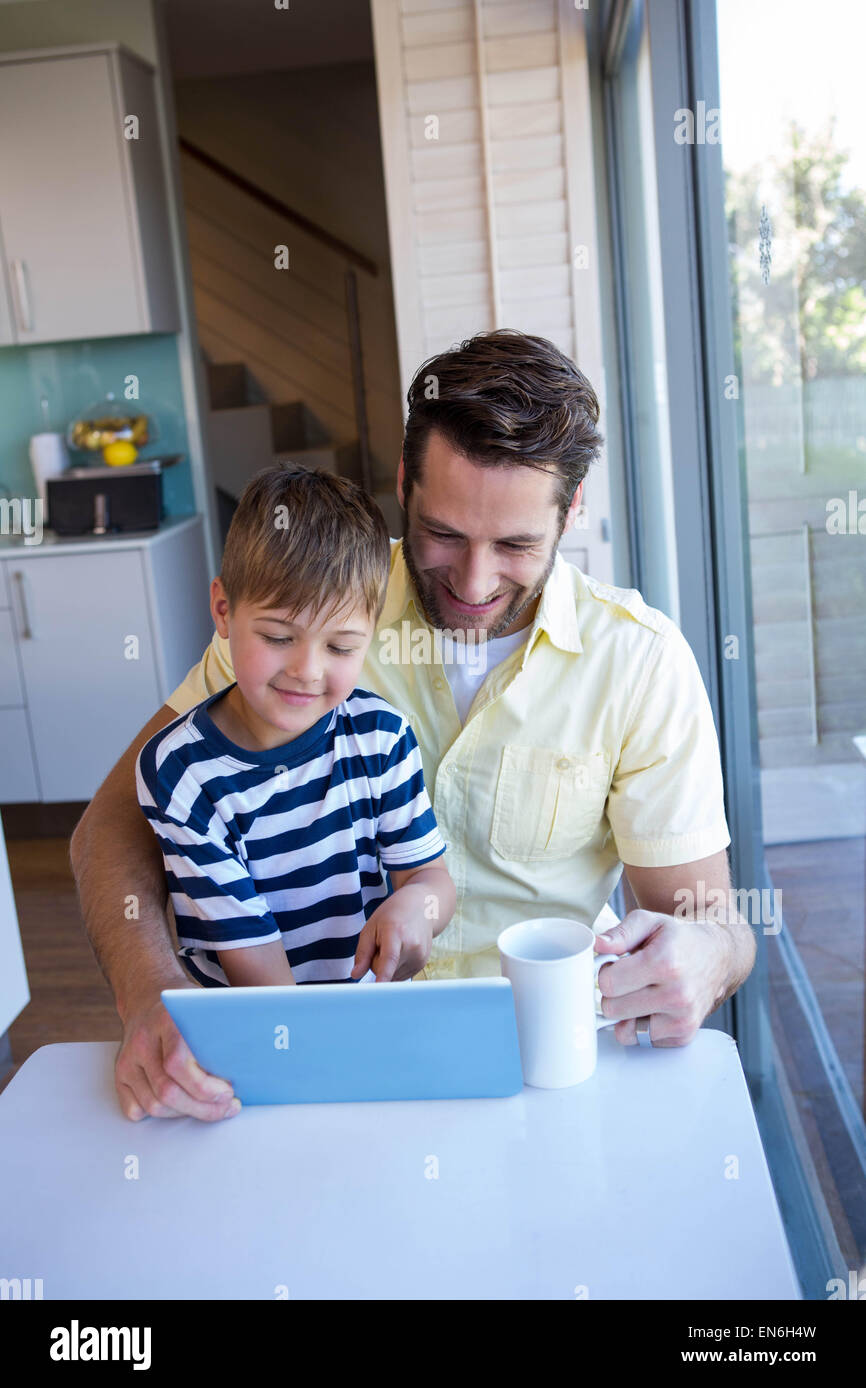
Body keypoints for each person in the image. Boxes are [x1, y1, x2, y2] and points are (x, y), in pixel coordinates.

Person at [70, 328, 756, 1123]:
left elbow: (709, 920)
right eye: (445, 534)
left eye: (516, 544)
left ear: (571, 512)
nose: (474, 581)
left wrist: (709, 956)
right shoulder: (309, 611)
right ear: (404, 483)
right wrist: (150, 995)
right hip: (319, 1067)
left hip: (539, 1070)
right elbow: (108, 829)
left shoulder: (638, 661)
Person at [134, 465, 455, 991]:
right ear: (223, 610)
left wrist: (416, 906)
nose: (307, 671)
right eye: (279, 638)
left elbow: (429, 877)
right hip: (261, 1018)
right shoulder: (181, 772)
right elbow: (262, 979)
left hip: (363, 1012)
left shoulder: (382, 737)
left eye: (341, 647)